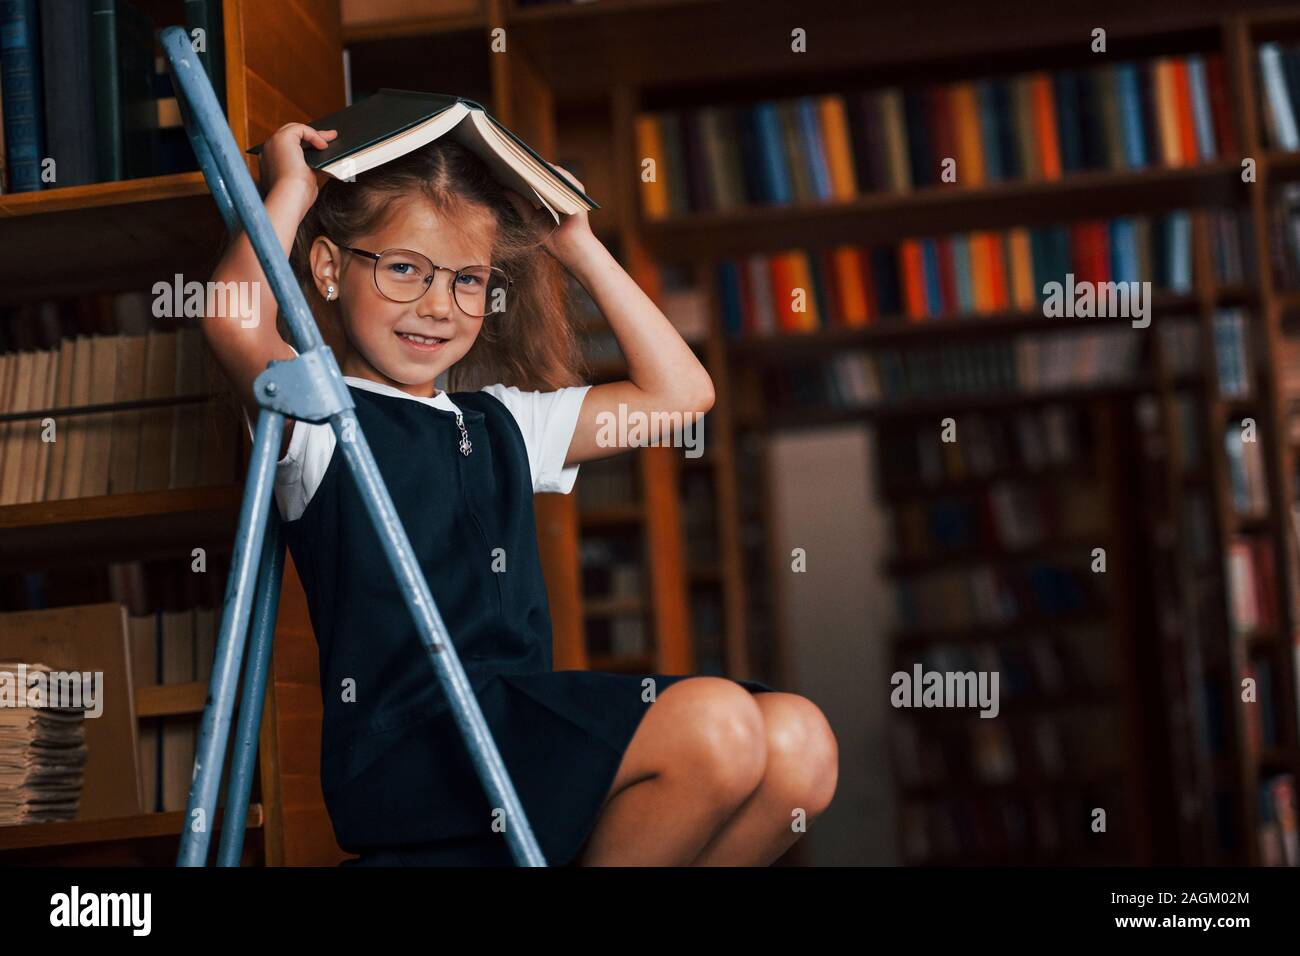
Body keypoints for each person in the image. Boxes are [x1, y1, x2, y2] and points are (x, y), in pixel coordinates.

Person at [201, 120, 839, 866]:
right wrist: (293, 188)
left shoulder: (501, 421)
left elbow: (682, 394)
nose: (439, 305)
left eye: (466, 280)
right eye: (406, 269)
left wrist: (575, 245)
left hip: (521, 731)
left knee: (800, 745)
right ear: (329, 268)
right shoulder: (314, 417)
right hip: (416, 747)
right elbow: (234, 317)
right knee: (719, 725)